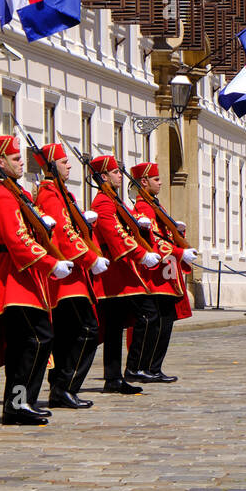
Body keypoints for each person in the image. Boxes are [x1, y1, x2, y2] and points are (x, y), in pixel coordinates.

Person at [0, 135, 74, 425]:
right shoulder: (3, 195)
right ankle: (18, 404)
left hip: (28, 279)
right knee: (32, 341)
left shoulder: (16, 192)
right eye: (16, 159)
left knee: (32, 343)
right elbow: (16, 240)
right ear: (0, 162)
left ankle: (22, 402)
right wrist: (50, 264)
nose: (21, 164)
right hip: (14, 281)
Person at [36, 143, 111, 409]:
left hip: (76, 275)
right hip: (67, 279)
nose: (69, 165)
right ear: (50, 165)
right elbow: (64, 236)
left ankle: (62, 388)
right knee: (86, 330)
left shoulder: (61, 193)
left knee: (72, 334)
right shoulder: (49, 195)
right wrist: (90, 259)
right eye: (63, 161)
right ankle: (64, 386)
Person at [87, 154, 148, 395]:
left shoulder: (112, 200)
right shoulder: (103, 202)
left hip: (121, 272)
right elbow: (114, 235)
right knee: (108, 328)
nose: (120, 176)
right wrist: (140, 254)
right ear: (103, 177)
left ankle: (115, 376)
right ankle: (117, 374)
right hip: (112, 273)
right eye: (115, 172)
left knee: (115, 327)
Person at [130, 162, 196, 382]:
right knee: (156, 323)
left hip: (166, 274)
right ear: (144, 182)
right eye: (156, 179)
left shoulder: (154, 204)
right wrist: (179, 252)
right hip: (156, 275)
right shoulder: (143, 208)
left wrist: (178, 231)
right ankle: (145, 366)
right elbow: (156, 240)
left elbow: (165, 233)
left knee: (164, 322)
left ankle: (153, 367)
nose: (160, 183)